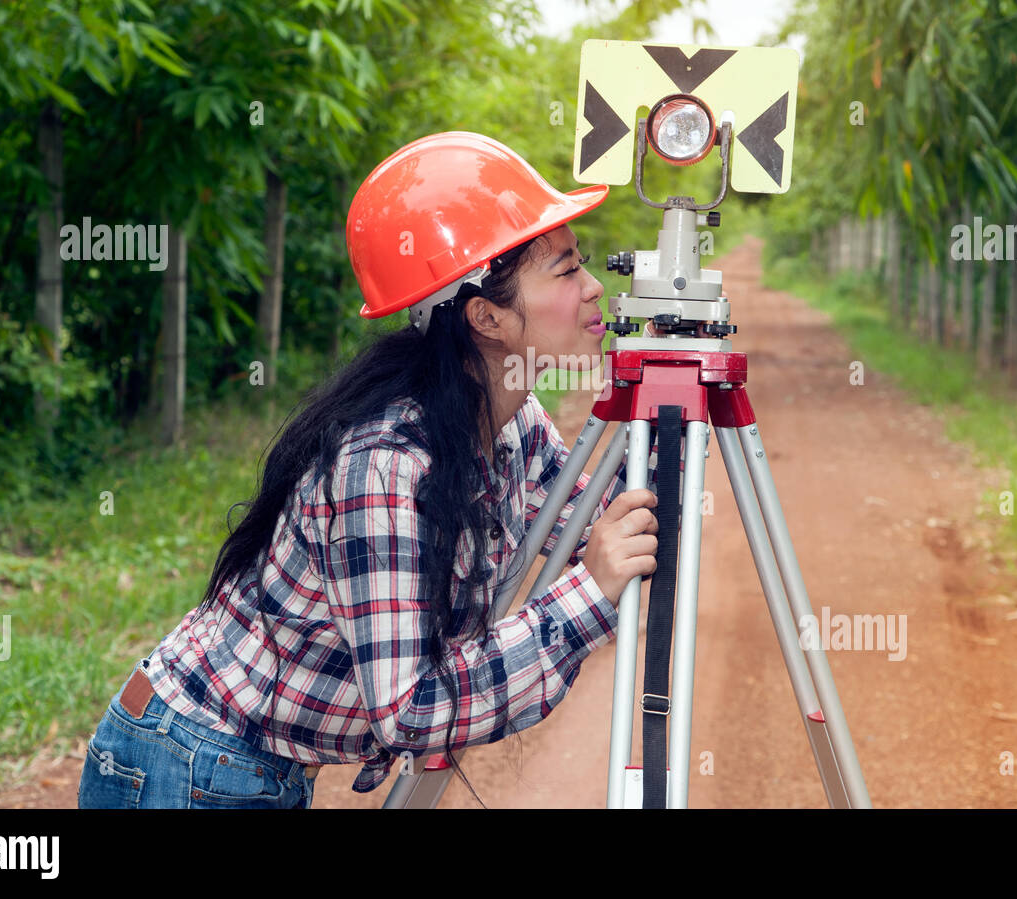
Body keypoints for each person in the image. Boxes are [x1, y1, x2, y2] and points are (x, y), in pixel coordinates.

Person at [76, 131, 664, 809]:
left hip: (249, 763)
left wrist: (668, 411)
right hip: (186, 760)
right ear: (486, 316)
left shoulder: (510, 418)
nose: (595, 287)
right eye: (565, 270)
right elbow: (412, 708)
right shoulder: (387, 463)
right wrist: (590, 593)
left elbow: (593, 524)